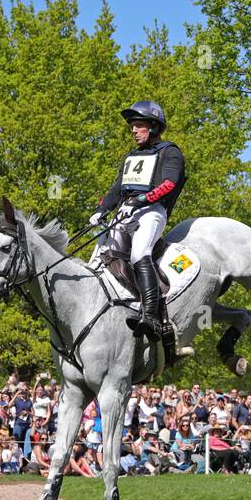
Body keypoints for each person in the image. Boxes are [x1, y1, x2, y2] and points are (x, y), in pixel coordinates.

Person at [89, 100, 186, 356]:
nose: (133, 130)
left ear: (153, 128)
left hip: (152, 212)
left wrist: (142, 200)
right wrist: (101, 210)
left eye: (138, 126)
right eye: (132, 126)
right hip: (125, 213)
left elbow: (170, 184)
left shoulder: (170, 152)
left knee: (138, 252)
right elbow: (115, 189)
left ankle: (151, 315)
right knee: (100, 257)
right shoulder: (131, 157)